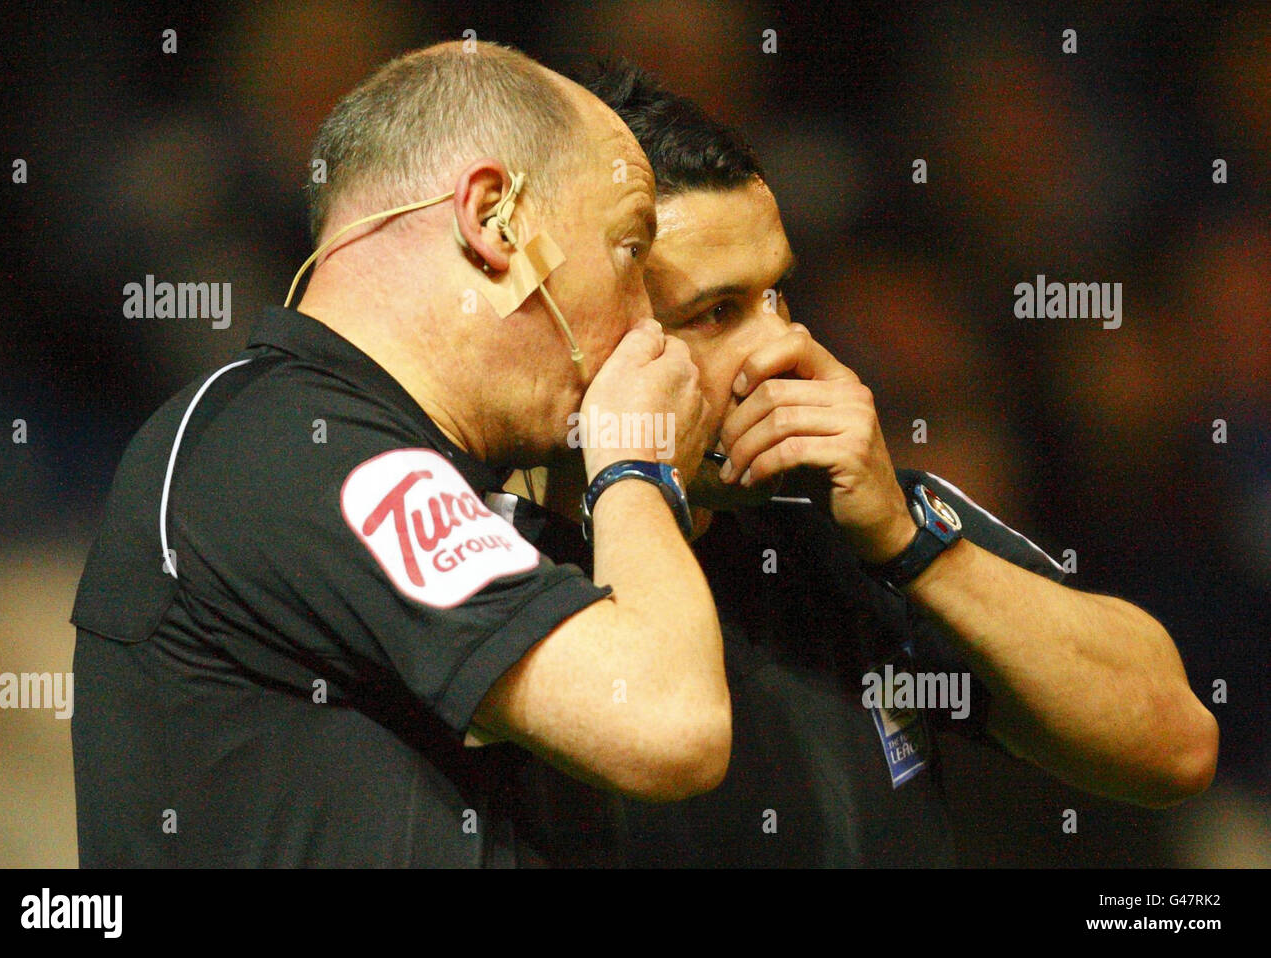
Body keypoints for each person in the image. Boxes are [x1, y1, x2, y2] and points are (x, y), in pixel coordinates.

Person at [502, 62, 1220, 866]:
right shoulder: (482, 555)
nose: (783, 347)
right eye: (716, 312)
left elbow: (1176, 743)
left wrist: (906, 543)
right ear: (585, 328)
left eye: (780, 295)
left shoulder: (848, 523)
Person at [68, 42, 733, 867]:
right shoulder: (309, 451)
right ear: (495, 221)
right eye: (631, 252)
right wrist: (637, 464)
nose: (649, 326)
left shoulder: (353, 449)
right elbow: (670, 723)